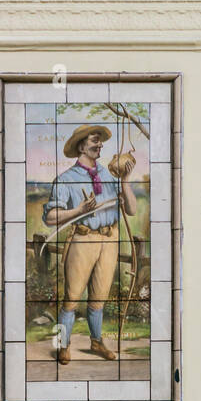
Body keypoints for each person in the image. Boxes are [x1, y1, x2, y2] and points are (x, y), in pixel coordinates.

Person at [42, 124, 137, 364]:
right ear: (81, 146)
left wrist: (125, 180)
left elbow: (132, 210)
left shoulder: (107, 175)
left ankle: (96, 343)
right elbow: (50, 217)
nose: (100, 145)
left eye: (100, 141)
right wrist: (79, 210)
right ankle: (64, 345)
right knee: (72, 298)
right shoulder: (65, 179)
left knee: (99, 298)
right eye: (95, 140)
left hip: (110, 241)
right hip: (83, 240)